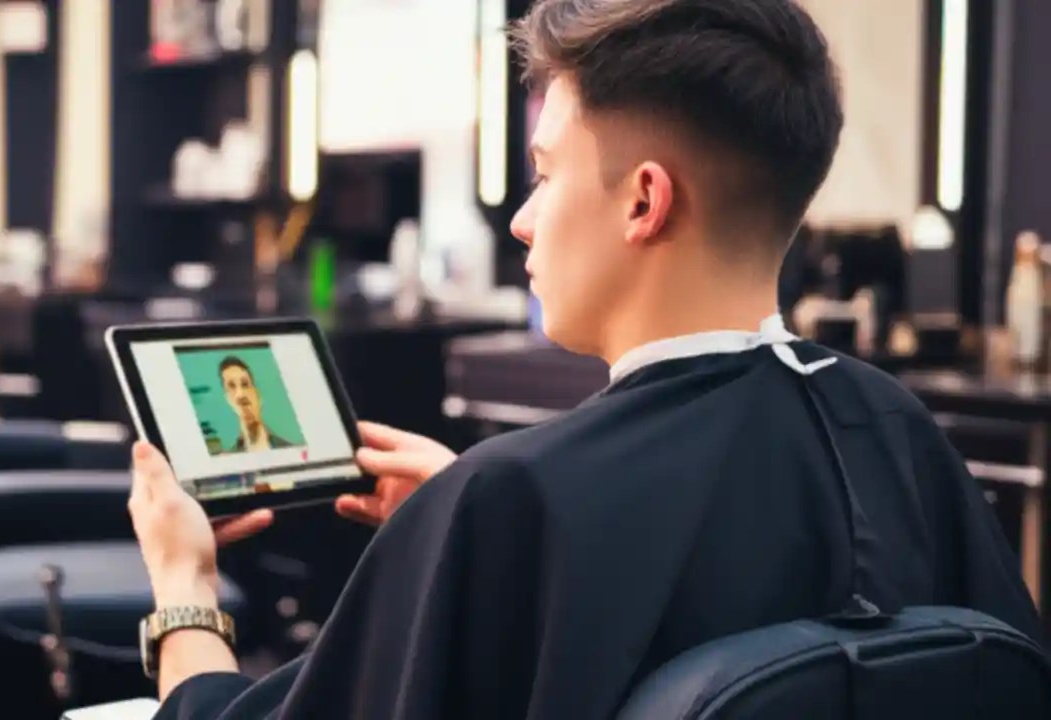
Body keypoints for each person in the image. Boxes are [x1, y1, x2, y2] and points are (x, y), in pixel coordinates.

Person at [130, 1, 1045, 717]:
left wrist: (184, 587)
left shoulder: (507, 503)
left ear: (644, 201)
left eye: (545, 172)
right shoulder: (900, 433)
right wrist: (476, 535)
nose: (524, 218)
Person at [217, 356, 294, 453]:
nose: (240, 395)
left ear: (258, 395)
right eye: (231, 387)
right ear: (228, 399)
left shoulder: (290, 450)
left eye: (245, 384)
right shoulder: (228, 461)